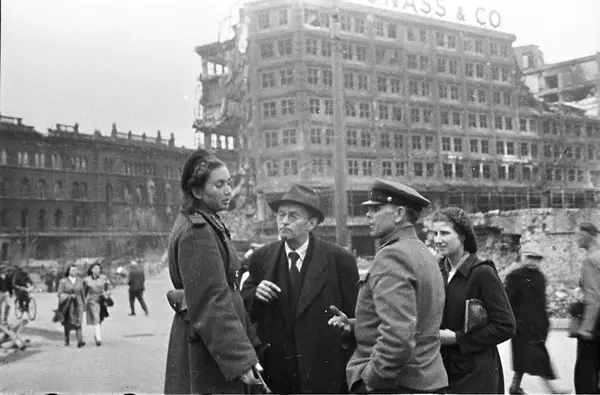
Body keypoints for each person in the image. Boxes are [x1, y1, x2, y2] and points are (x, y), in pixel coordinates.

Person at [329, 179, 448, 394]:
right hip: (425, 381)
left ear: (399, 214)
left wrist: (370, 381)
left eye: (376, 208)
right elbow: (414, 319)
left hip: (398, 386)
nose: (368, 215)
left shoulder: (392, 255)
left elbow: (398, 338)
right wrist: (357, 325)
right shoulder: (422, 252)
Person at [242, 183, 359, 394]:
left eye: (293, 216)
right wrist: (255, 294)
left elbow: (356, 317)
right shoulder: (261, 258)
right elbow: (245, 307)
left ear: (311, 223)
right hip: (276, 372)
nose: (284, 221)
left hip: (323, 372)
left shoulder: (340, 260)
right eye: (281, 215)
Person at [164, 149, 263, 394]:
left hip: (212, 341)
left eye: (229, 183)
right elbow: (211, 299)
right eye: (219, 185)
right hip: (210, 346)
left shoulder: (206, 221)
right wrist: (240, 358)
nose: (229, 190)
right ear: (197, 192)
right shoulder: (197, 231)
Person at [431, 206, 516, 394]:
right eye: (434, 233)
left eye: (444, 233)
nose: (437, 239)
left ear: (462, 236)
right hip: (444, 372)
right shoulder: (438, 271)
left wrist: (456, 338)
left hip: (477, 376)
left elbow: (506, 326)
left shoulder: (482, 273)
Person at [505, 244, 567, 394]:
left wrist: (545, 323)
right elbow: (507, 301)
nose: (533, 261)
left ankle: (514, 387)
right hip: (521, 326)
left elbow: (541, 302)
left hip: (538, 324)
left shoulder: (540, 278)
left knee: (527, 357)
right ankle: (552, 389)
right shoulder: (515, 276)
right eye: (530, 257)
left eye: (537, 258)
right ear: (523, 257)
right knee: (537, 357)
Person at [573, 222, 600, 394]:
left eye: (579, 234)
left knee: (584, 373)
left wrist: (586, 329)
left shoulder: (590, 260)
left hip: (594, 322)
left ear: (588, 236)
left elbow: (594, 297)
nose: (576, 238)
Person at [83, 262, 112, 346]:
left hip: (102, 300)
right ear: (91, 270)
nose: (97, 270)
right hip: (92, 300)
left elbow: (109, 287)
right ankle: (99, 339)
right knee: (96, 317)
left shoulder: (104, 278)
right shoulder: (86, 280)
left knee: (100, 318)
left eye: (98, 268)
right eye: (95, 268)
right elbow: (83, 292)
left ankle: (96, 334)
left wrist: (107, 294)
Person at [56, 265, 85, 347]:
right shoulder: (63, 281)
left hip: (78, 303)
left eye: (75, 270)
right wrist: (69, 295)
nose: (74, 272)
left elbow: (82, 293)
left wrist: (84, 304)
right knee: (68, 322)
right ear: (68, 271)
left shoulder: (80, 281)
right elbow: (59, 293)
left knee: (79, 321)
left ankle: (80, 341)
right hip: (67, 303)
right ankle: (67, 339)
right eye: (72, 270)